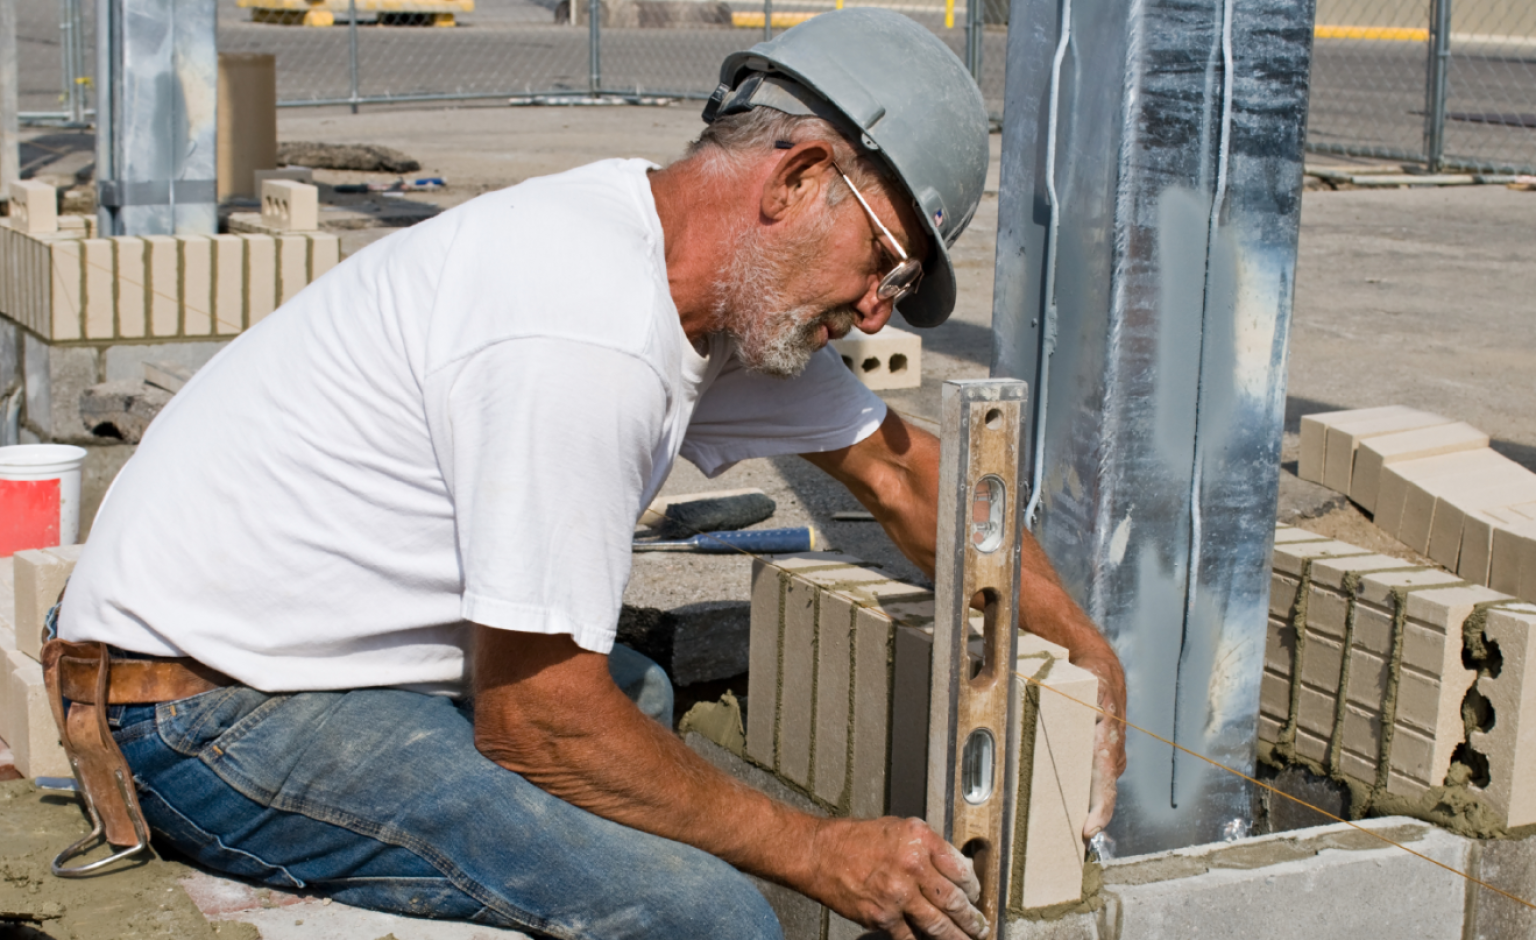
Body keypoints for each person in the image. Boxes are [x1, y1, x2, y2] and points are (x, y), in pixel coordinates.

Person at [56, 10, 1125, 939]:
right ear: (798, 179)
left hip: (282, 654)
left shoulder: (702, 286)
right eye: (884, 263)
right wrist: (818, 850)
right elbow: (539, 723)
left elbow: (910, 479)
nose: (878, 311)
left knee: (646, 696)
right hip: (203, 712)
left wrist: (1083, 649)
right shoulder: (584, 331)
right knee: (708, 917)